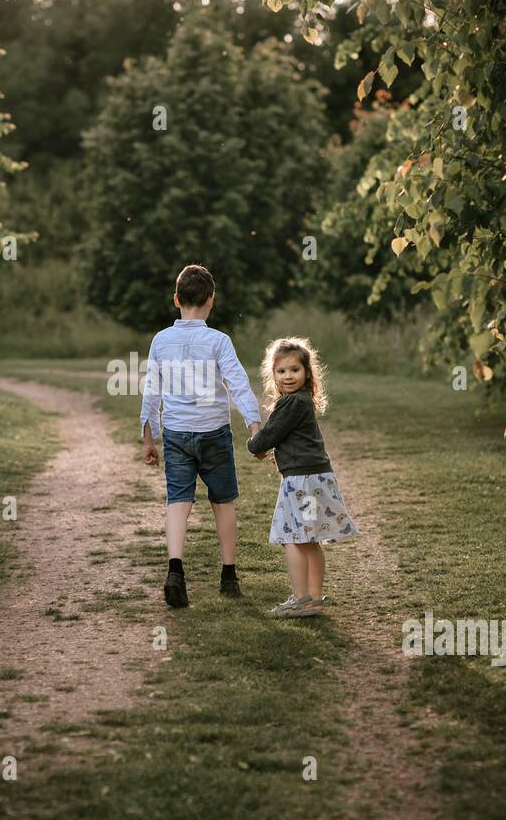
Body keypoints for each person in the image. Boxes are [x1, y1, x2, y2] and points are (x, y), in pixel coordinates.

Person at [141, 264, 262, 608]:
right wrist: (254, 426)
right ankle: (228, 576)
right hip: (213, 433)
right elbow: (238, 383)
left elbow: (151, 392)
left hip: (177, 433)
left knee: (178, 501)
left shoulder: (161, 340)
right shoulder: (218, 341)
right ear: (212, 300)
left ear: (176, 299)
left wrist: (149, 437)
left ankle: (175, 570)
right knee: (222, 502)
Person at [246, 335, 359, 617]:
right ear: (273, 374)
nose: (287, 376)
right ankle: (314, 598)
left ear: (307, 373)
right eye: (281, 371)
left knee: (293, 537)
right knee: (310, 540)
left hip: (302, 481)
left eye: (294, 370)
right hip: (316, 476)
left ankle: (300, 598)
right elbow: (289, 438)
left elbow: (268, 435)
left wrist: (255, 445)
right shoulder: (302, 401)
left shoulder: (291, 404)